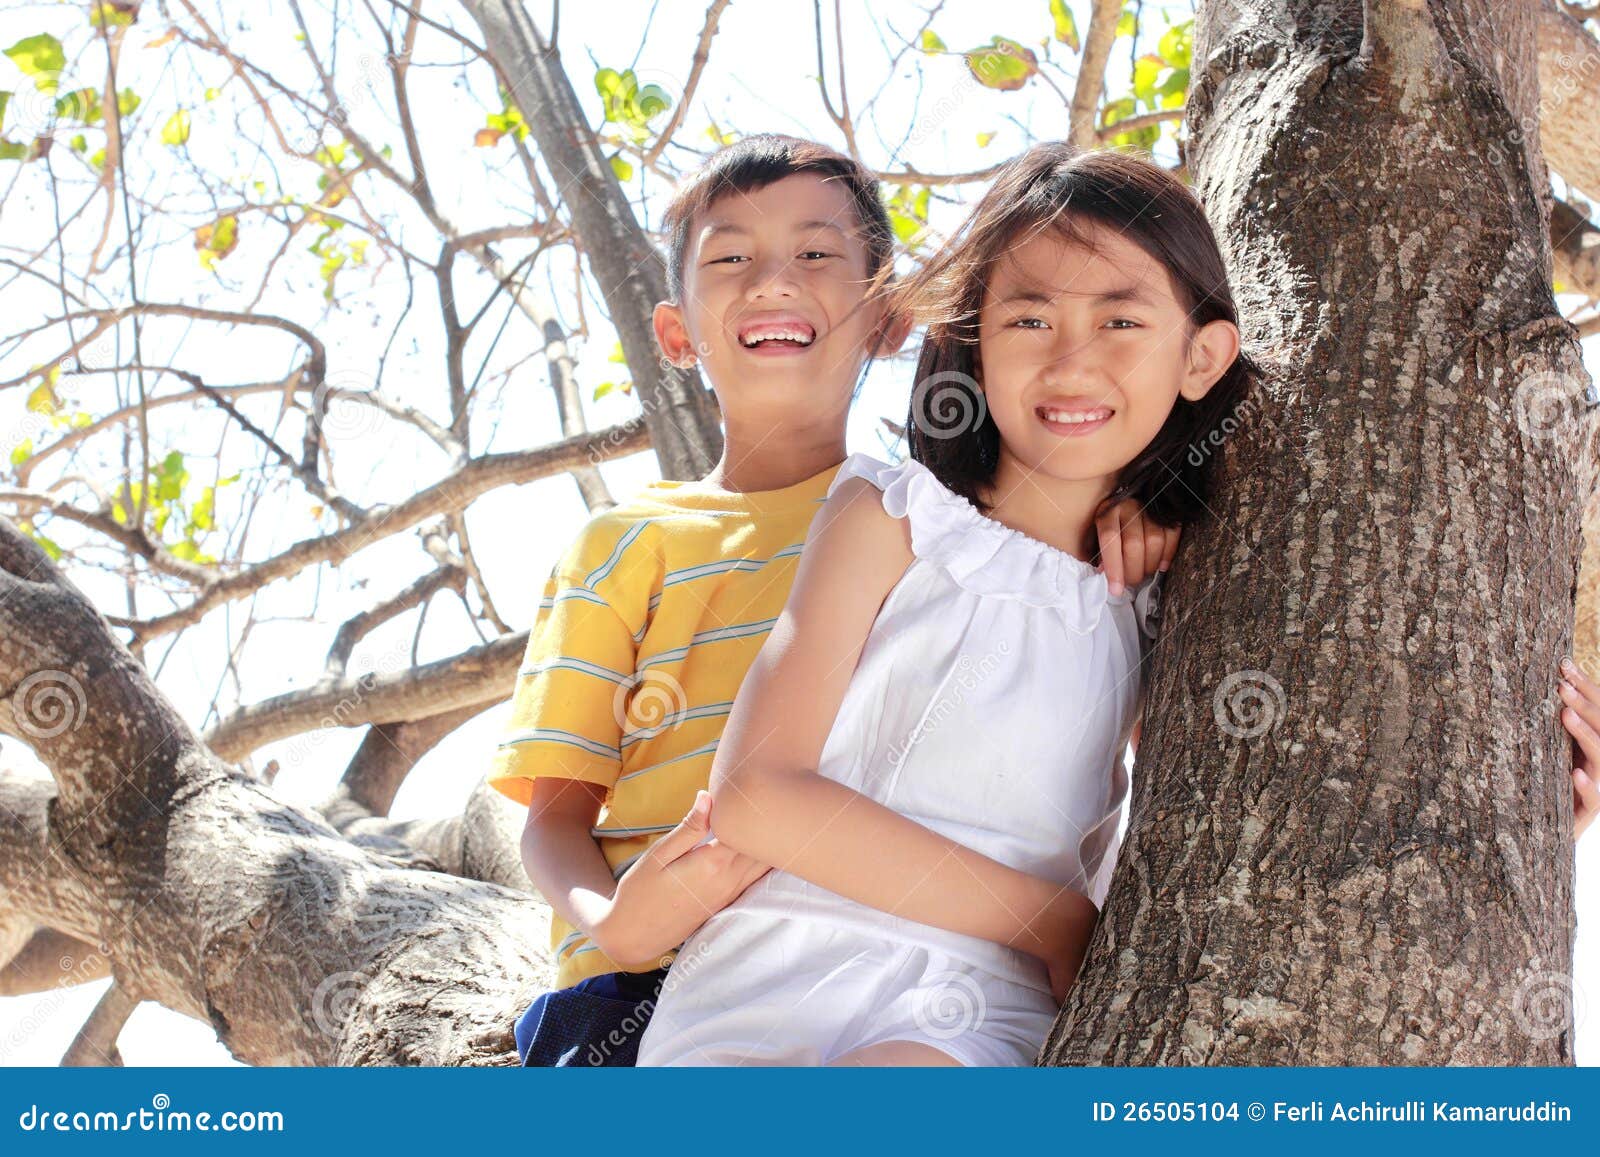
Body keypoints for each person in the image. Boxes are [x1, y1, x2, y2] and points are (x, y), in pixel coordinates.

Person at [634, 143, 1600, 1068]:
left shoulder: (1164, 601)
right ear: (972, 341)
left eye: (1123, 320)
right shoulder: (891, 516)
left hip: (983, 1009)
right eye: (1029, 318)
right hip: (782, 965)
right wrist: (1047, 916)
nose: (1072, 358)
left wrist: (1510, 807)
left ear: (1203, 357)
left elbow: (1275, 818)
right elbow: (759, 796)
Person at [487, 135, 1179, 1066]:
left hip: (917, 951)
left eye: (817, 254)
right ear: (677, 332)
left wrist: (1126, 510)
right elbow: (554, 813)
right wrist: (614, 922)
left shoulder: (937, 522)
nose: (774, 280)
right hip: (653, 978)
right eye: (730, 258)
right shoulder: (628, 541)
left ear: (890, 316)